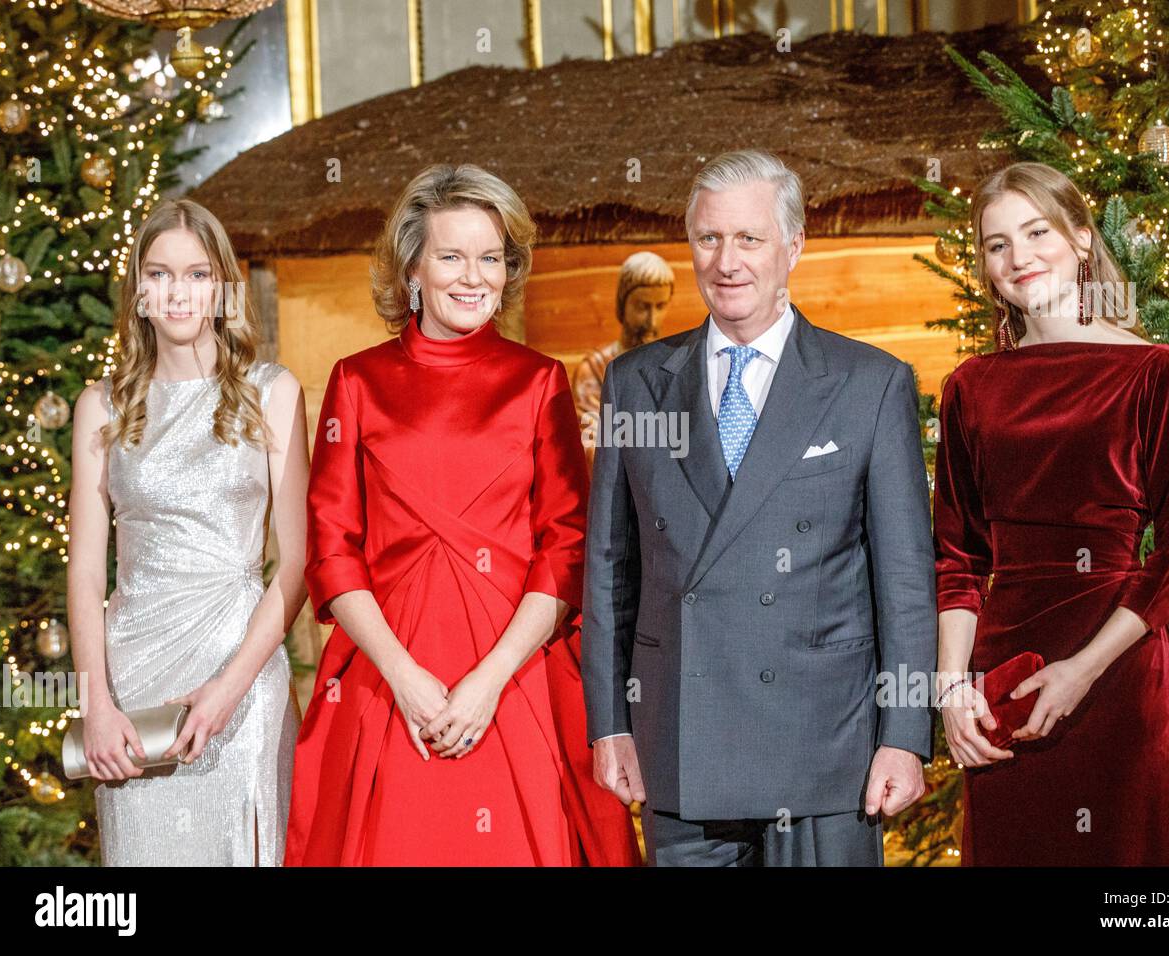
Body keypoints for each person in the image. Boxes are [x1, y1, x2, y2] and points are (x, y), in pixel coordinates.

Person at [582, 149, 936, 866]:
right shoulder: (637, 383)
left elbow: (904, 580)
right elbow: (610, 568)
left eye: (750, 239)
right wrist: (609, 723)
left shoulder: (868, 384)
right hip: (680, 741)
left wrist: (904, 734)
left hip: (824, 747)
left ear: (793, 247)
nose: (727, 261)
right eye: (710, 239)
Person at [283, 164, 640, 866]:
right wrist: (405, 677)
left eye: (491, 258)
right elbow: (331, 552)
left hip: (514, 678)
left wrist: (488, 681)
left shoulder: (540, 382)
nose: (472, 277)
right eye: (451, 256)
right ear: (412, 268)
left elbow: (566, 547)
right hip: (388, 676)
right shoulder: (356, 382)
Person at [932, 161, 1169, 865]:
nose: (1018, 257)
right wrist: (953, 690)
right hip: (1009, 683)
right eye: (997, 244)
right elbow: (957, 558)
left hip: (1118, 676)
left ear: (1081, 239)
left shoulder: (1153, 372)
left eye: (1036, 232)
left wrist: (1082, 669)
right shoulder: (970, 387)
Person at [67, 199, 307, 866]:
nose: (178, 292)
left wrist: (226, 690)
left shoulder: (272, 392)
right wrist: (97, 704)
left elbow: (299, 563)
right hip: (133, 683)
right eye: (160, 273)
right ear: (138, 290)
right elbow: (86, 574)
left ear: (223, 285)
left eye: (197, 274)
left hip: (243, 672)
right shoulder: (100, 406)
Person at [571, 251, 673, 467]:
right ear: (622, 304)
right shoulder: (595, 370)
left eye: (660, 306)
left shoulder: (675, 367)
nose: (651, 321)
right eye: (642, 307)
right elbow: (592, 445)